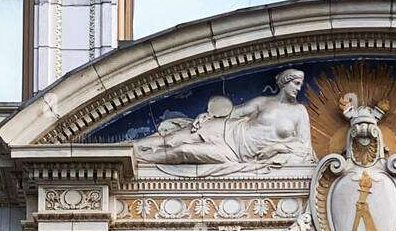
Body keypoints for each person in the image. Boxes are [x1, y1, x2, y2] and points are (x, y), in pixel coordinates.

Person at [133, 68, 314, 168]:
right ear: (284, 83)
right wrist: (207, 115)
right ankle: (130, 149)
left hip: (234, 154)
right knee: (171, 139)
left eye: (300, 85)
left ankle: (140, 159)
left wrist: (275, 147)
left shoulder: (299, 112)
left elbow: (303, 145)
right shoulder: (263, 101)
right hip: (226, 130)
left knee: (185, 150)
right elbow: (233, 112)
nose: (298, 89)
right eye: (296, 83)